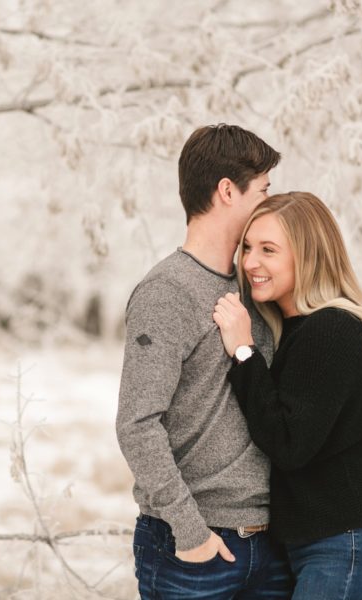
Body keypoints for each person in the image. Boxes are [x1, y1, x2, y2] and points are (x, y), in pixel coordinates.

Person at [116, 124, 294, 599]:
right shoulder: (166, 292)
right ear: (228, 191)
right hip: (196, 550)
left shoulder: (257, 287)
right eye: (264, 191)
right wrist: (190, 531)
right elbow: (137, 423)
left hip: (272, 547)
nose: (270, 204)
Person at [211, 192, 362, 599]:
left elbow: (289, 443)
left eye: (268, 250)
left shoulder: (330, 328)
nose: (250, 262)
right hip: (334, 546)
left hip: (346, 546)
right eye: (247, 247)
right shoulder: (302, 329)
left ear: (308, 256)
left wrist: (244, 353)